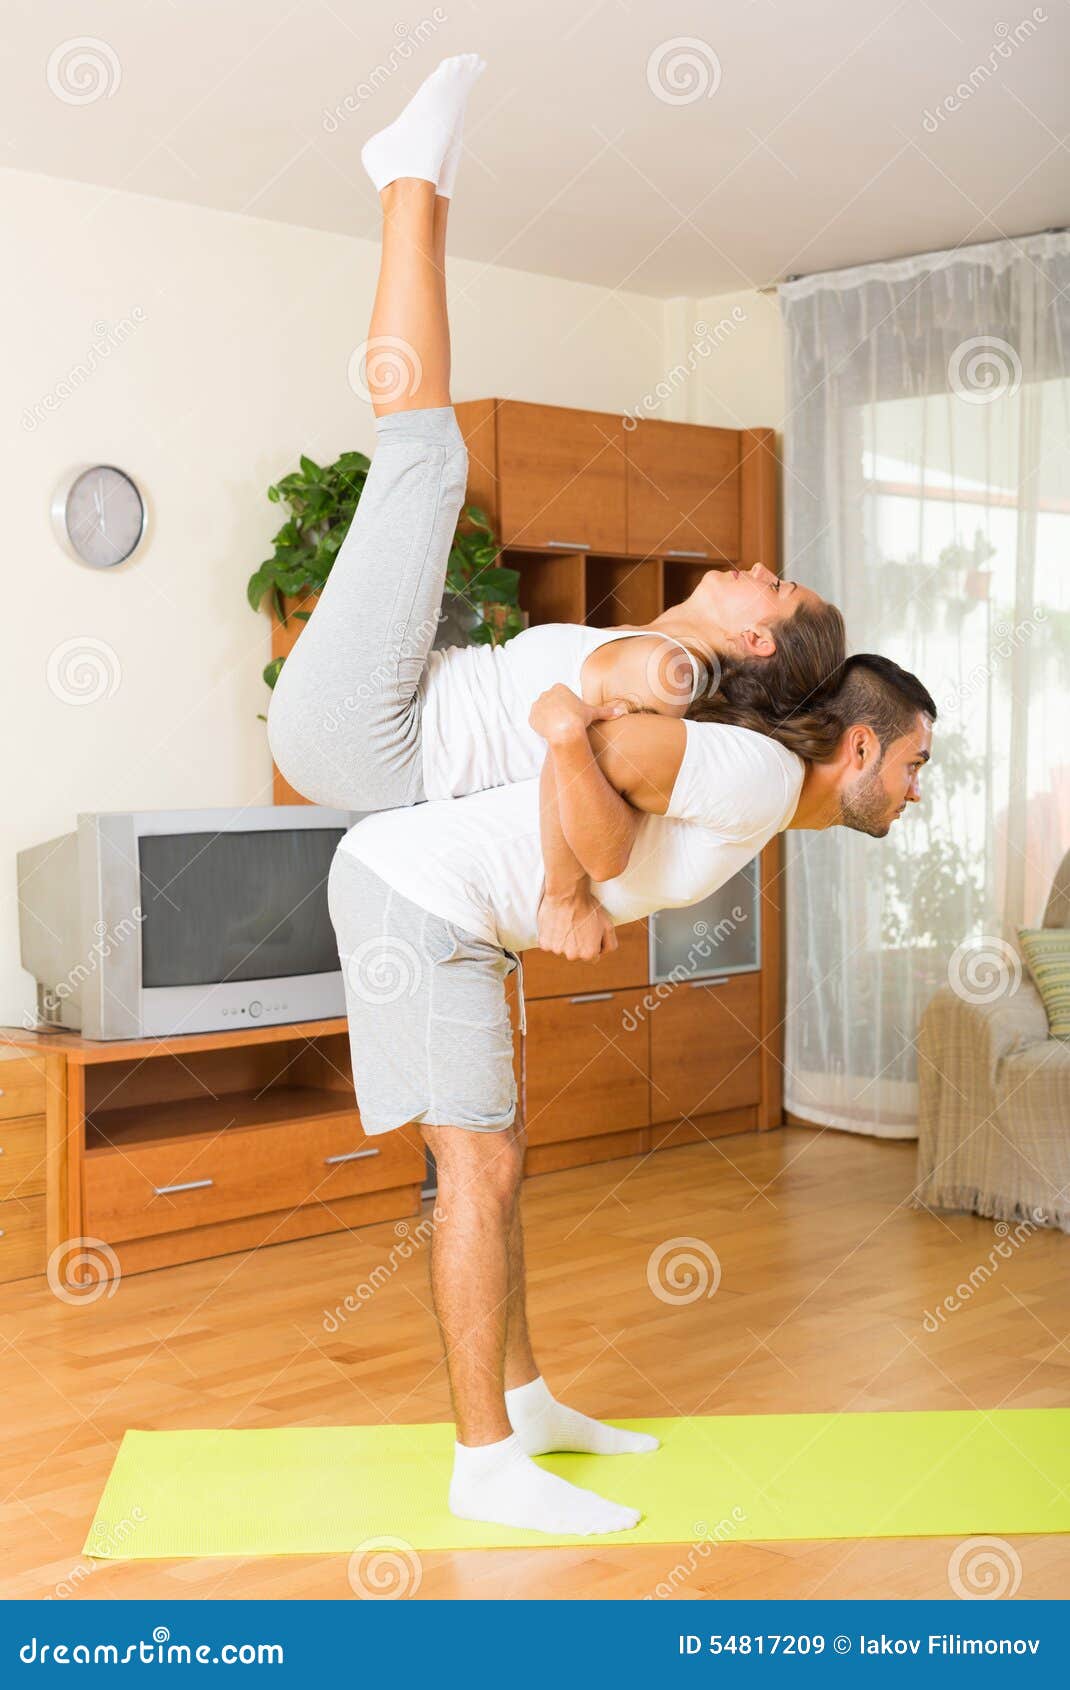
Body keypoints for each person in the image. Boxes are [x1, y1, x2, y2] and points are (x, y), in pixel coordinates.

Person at [328, 651, 936, 1537]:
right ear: (860, 746)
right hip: (416, 900)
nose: (915, 791)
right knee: (478, 1170)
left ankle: (524, 1403)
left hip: (467, 919)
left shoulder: (761, 788)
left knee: (502, 1158)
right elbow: (590, 745)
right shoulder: (759, 772)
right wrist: (567, 891)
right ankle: (483, 1463)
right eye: (914, 764)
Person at [265, 54, 848, 965]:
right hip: (376, 741)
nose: (762, 570)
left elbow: (584, 749)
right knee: (428, 455)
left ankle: (412, 181)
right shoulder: (670, 662)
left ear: (760, 643)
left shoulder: (674, 675)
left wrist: (562, 894)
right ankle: (416, 179)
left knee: (425, 455)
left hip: (368, 736)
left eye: (777, 589)